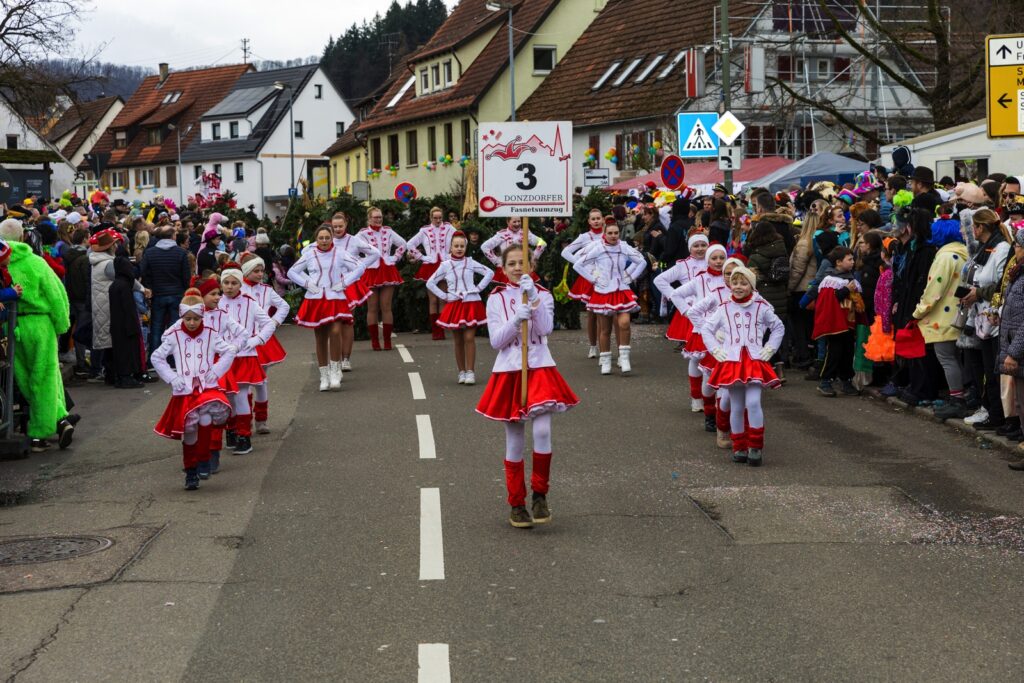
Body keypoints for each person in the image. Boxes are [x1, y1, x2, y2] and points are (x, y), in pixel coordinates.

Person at [475, 245, 579, 528]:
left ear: (532, 265)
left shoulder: (542, 295)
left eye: (523, 262)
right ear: (503, 267)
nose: (518, 267)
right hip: (509, 369)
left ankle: (540, 495)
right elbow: (496, 340)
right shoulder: (495, 298)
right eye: (512, 263)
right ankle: (516, 503)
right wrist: (515, 319)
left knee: (543, 429)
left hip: (540, 366)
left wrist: (533, 301)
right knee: (515, 438)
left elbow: (546, 329)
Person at [151, 290, 236, 489]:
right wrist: (172, 377)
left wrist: (216, 371)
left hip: (207, 387)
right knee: (189, 432)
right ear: (181, 316)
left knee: (206, 420)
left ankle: (204, 459)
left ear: (202, 317)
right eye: (188, 318)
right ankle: (190, 471)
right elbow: (156, 357)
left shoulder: (211, 334)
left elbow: (229, 351)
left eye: (196, 318)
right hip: (186, 390)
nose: (191, 323)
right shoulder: (174, 336)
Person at [702, 266, 784, 466]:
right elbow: (706, 329)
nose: (738, 286)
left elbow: (778, 327)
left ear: (751, 285)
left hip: (755, 360)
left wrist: (771, 348)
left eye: (743, 283)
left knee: (754, 402)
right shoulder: (724, 308)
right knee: (736, 405)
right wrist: (715, 349)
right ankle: (739, 446)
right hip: (732, 361)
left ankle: (755, 447)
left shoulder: (761, 307)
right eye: (735, 282)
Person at [5, 236, 75, 452]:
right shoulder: (36, 262)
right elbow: (56, 294)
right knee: (45, 378)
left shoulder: (5, 265)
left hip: (12, 326)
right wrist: (62, 325)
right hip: (40, 324)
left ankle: (57, 420)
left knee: (25, 381)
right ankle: (45, 429)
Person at [289, 226, 368, 389]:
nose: (324, 241)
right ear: (316, 239)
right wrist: (307, 284)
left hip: (335, 298)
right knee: (320, 337)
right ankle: (323, 375)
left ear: (332, 238)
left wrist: (344, 282)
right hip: (316, 300)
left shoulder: (339, 253)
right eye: (321, 238)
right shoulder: (309, 254)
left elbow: (360, 267)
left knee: (336, 331)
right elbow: (292, 272)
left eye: (327, 238)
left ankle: (335, 370)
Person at [911, 217, 969, 417]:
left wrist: (919, 311)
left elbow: (935, 288)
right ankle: (960, 395)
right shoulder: (963, 253)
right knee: (953, 357)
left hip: (943, 318)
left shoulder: (945, 257)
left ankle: (957, 399)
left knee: (946, 357)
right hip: (958, 313)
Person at [572, 219, 647, 375]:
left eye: (616, 233)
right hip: (603, 291)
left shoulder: (624, 248)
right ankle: (605, 361)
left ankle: (624, 357)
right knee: (605, 329)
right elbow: (578, 264)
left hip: (622, 290)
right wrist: (593, 278)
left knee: (624, 323)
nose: (613, 236)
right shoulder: (598, 249)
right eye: (610, 233)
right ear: (605, 234)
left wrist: (631, 277)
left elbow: (641, 261)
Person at [960, 209, 1011, 429]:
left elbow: (1000, 282)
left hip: (995, 319)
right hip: (982, 318)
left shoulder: (1001, 248)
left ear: (980, 227)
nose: (972, 230)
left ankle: (999, 416)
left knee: (993, 371)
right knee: (987, 370)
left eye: (974, 226)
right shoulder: (984, 248)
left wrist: (979, 293)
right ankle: (992, 413)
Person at [218, 266, 276, 456]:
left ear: (240, 284)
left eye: (234, 283)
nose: (229, 287)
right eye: (226, 283)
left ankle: (244, 436)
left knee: (242, 393)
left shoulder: (250, 303)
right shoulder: (216, 303)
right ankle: (231, 430)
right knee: (228, 397)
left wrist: (256, 340)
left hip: (245, 355)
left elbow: (268, 323)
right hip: (224, 357)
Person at [426, 231, 493, 385]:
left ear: (466, 247)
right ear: (451, 247)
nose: (459, 248)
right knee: (458, 341)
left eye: (462, 246)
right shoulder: (445, 265)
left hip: (471, 303)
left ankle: (471, 371)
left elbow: (489, 272)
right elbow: (430, 283)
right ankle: (461, 372)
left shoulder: (470, 262)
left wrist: (477, 288)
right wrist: (445, 296)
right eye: (456, 246)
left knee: (469, 338)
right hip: (454, 304)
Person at [669, 244, 728, 407]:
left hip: (725, 329)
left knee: (719, 364)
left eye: (722, 258)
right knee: (697, 360)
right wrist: (688, 312)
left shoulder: (730, 278)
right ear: (707, 260)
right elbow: (676, 294)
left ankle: (720, 401)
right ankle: (697, 398)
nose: (718, 261)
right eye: (714, 258)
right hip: (702, 327)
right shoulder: (700, 279)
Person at [240, 255, 289, 432]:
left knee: (261, 381)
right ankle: (245, 420)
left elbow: (284, 306)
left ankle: (261, 420)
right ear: (247, 271)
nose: (260, 274)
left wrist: (274, 322)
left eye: (261, 271)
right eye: (256, 271)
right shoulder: (237, 289)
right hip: (242, 341)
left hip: (263, 340)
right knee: (243, 382)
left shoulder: (267, 290)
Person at [810, 246, 864, 397]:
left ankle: (846, 381)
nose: (853, 262)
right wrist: (846, 289)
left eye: (853, 259)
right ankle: (825, 380)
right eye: (850, 259)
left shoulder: (851, 278)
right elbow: (831, 301)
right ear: (839, 262)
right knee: (834, 352)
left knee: (848, 352)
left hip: (848, 323)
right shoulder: (830, 280)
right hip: (835, 324)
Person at [329, 212, 378, 369]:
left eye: (340, 226)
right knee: (333, 322)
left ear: (346, 225)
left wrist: (360, 264)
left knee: (348, 321)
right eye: (335, 226)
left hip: (350, 284)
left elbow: (375, 253)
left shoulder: (354, 240)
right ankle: (335, 359)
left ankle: (346, 359)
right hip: (332, 284)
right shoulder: (327, 240)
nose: (337, 229)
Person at [139, 226, 192, 363]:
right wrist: (186, 290)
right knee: (176, 328)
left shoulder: (150, 253)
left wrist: (149, 287)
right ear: (173, 236)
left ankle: (155, 359)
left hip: (158, 294)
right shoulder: (181, 253)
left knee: (157, 327)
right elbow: (186, 276)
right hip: (177, 294)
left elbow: (143, 272)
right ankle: (175, 358)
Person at [357, 207, 406, 351]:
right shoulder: (362, 234)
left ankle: (387, 341)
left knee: (386, 306)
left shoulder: (388, 231)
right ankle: (374, 341)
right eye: (375, 217)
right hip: (371, 271)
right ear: (369, 218)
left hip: (388, 270)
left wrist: (394, 258)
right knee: (372, 308)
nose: (378, 220)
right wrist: (361, 262)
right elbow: (352, 249)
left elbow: (403, 244)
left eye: (380, 217)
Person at [560, 208, 605, 357]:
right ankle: (593, 346)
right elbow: (565, 252)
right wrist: (582, 264)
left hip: (606, 278)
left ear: (603, 219)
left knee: (605, 315)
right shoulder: (584, 237)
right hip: (589, 278)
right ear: (589, 221)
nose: (596, 221)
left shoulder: (610, 234)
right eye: (593, 219)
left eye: (598, 218)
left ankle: (605, 347)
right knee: (592, 314)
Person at [406, 206, 456, 341]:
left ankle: (442, 330)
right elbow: (410, 245)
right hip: (430, 266)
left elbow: (462, 240)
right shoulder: (424, 230)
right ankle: (435, 331)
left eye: (440, 217)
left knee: (442, 298)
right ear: (430, 217)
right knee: (433, 300)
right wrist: (422, 257)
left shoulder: (450, 228)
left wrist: (451, 254)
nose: (438, 220)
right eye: (435, 218)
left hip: (445, 265)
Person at [108, 254, 145, 388]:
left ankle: (122, 376)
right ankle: (126, 377)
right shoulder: (124, 286)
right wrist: (133, 326)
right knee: (127, 351)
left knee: (120, 351)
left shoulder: (115, 285)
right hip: (126, 325)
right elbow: (128, 309)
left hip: (117, 324)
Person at [481, 216, 545, 285]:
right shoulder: (501, 234)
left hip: (523, 268)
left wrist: (532, 258)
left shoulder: (525, 232)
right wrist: (496, 261)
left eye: (519, 221)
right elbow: (484, 247)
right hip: (507, 269)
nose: (517, 224)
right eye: (514, 222)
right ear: (508, 222)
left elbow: (542, 243)